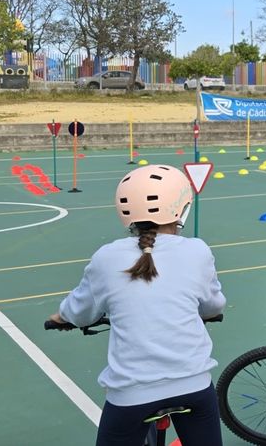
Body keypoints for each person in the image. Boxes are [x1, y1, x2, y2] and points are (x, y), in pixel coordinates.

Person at [49, 165, 226, 446]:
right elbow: (214, 306)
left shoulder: (107, 257)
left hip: (131, 395)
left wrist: (60, 317)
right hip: (193, 385)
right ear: (182, 209)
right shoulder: (198, 250)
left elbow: (80, 311)